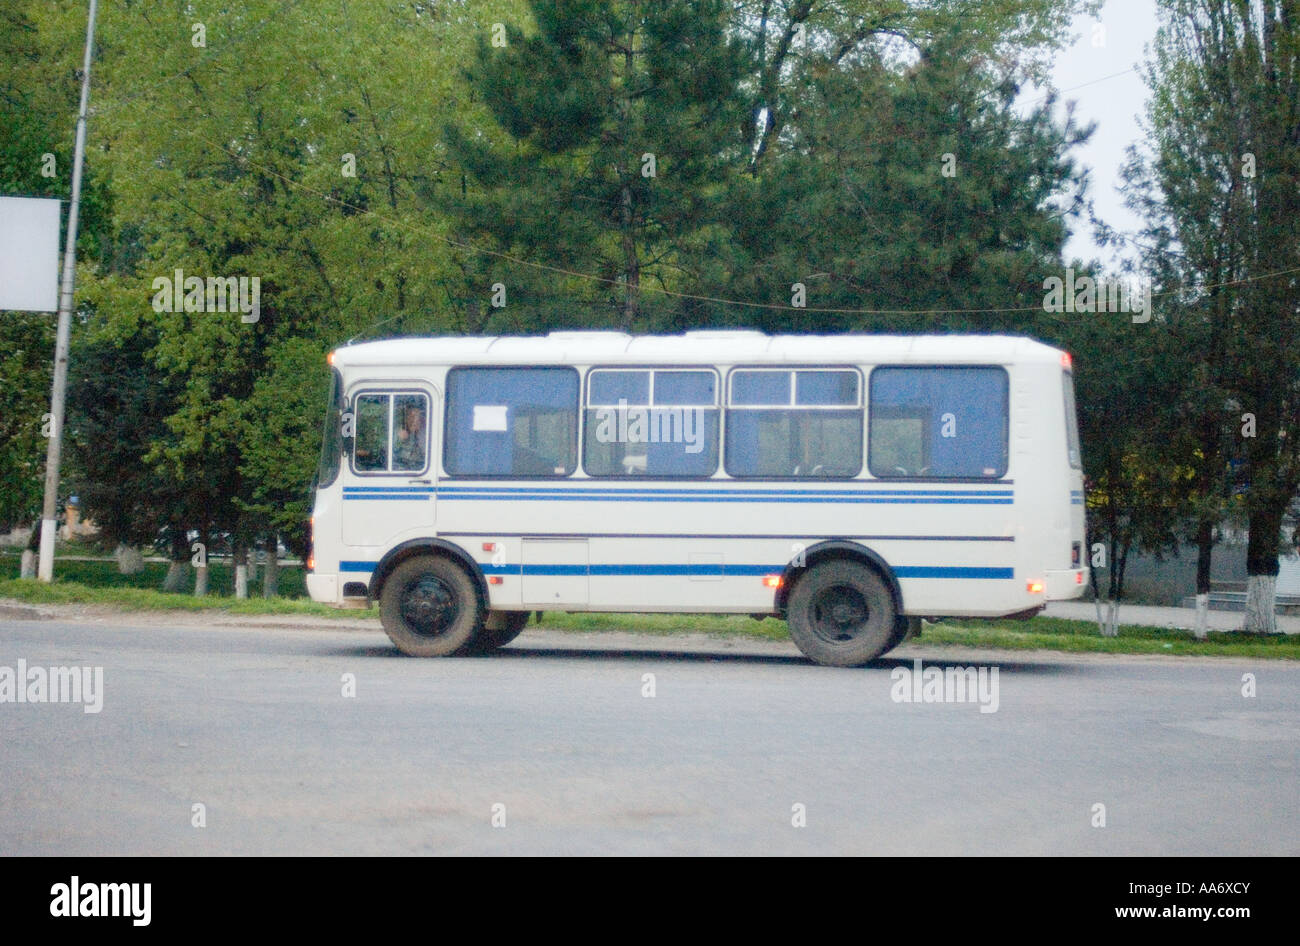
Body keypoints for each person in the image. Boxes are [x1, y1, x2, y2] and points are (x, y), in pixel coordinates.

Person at [393, 401, 426, 470]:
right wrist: (399, 440)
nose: (414, 420)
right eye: (411, 416)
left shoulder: (426, 435)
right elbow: (388, 454)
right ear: (406, 418)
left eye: (417, 417)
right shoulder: (398, 432)